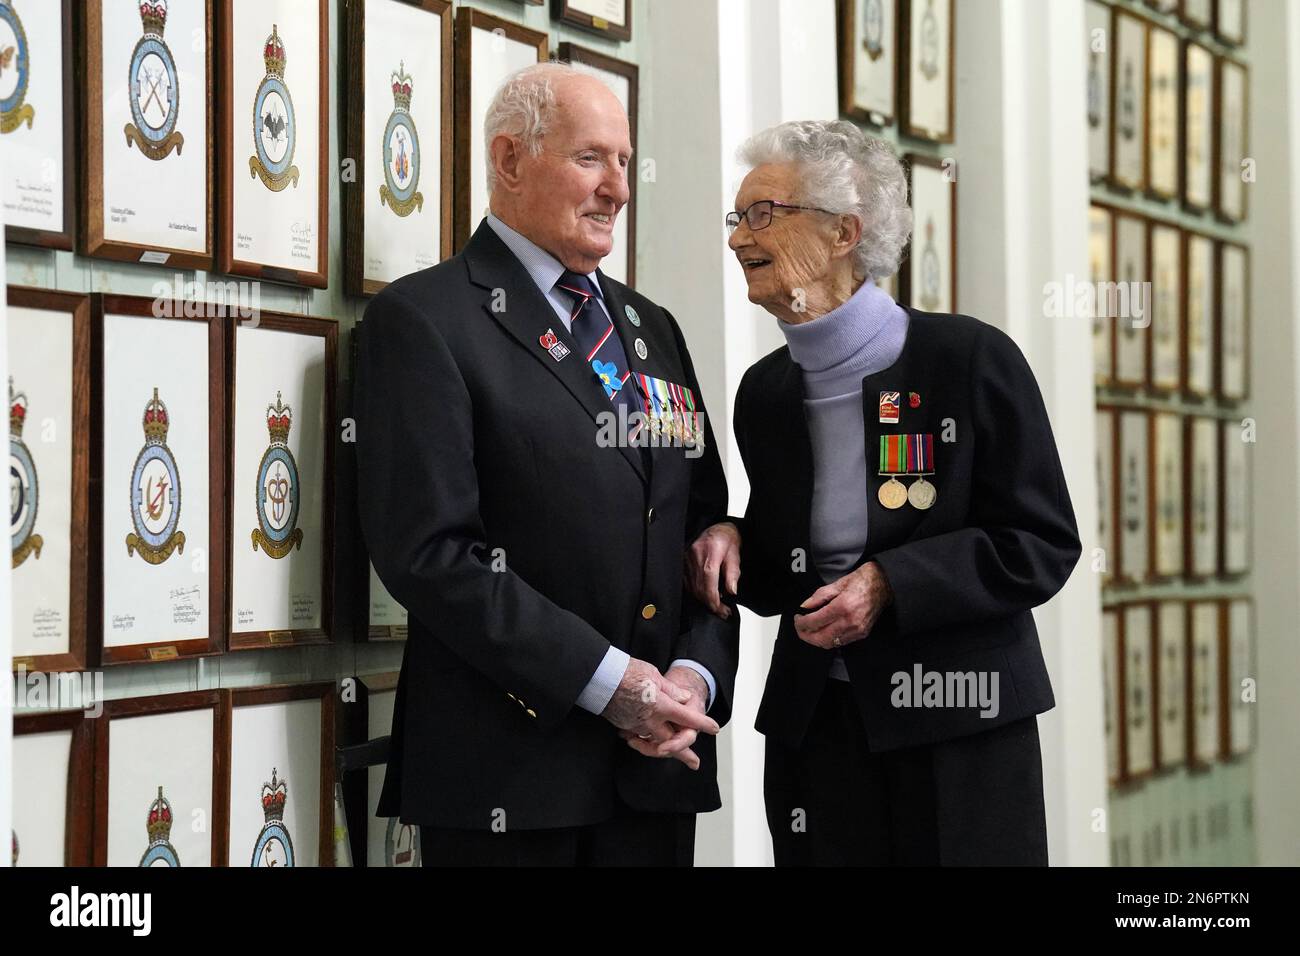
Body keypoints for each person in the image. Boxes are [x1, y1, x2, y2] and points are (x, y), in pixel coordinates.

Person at [355, 63, 738, 866]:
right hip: (509, 782)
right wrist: (611, 686)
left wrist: (692, 678)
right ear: (509, 160)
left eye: (626, 163)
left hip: (660, 773)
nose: (619, 189)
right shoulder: (425, 321)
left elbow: (703, 535)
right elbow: (428, 555)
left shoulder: (651, 327)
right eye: (592, 159)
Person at [688, 120, 1082, 865]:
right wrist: (735, 534)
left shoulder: (969, 360)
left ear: (845, 233)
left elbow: (1042, 544)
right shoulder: (763, 393)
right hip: (819, 734)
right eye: (736, 217)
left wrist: (890, 583)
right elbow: (781, 576)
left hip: (958, 730)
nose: (739, 237)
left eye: (763, 213)